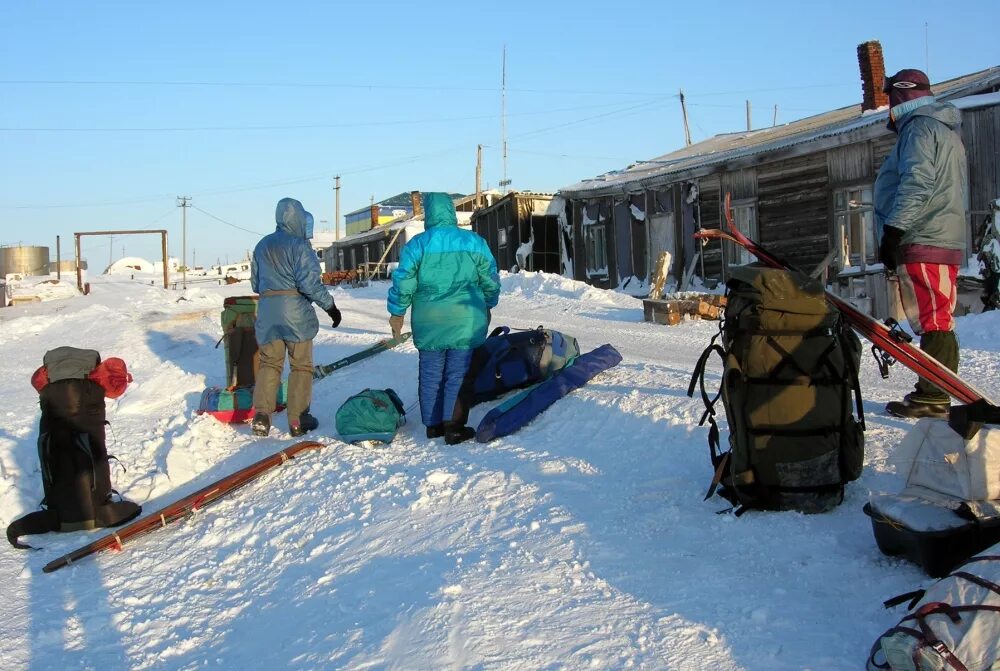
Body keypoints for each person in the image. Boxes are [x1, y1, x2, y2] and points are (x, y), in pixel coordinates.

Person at [875, 68, 968, 419]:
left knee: (934, 319)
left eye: (889, 99)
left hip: (925, 236)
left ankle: (933, 395)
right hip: (939, 235)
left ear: (900, 96)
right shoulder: (944, 130)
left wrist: (894, 230)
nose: (887, 108)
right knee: (937, 315)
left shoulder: (919, 129)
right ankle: (934, 390)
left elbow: (917, 183)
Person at [387, 192, 500, 444]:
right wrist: (488, 303)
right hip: (465, 318)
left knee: (430, 372)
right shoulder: (473, 242)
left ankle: (433, 425)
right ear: (450, 211)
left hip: (429, 320)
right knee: (457, 373)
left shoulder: (417, 245)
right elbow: (489, 279)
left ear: (429, 213)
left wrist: (397, 313)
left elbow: (403, 282)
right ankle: (454, 426)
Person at [251, 198, 341, 437]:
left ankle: (261, 415)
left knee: (270, 363)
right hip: (295, 313)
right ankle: (297, 419)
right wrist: (330, 307)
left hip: (268, 312)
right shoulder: (300, 246)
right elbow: (309, 283)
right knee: (301, 365)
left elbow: (254, 283)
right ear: (300, 219)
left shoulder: (262, 245)